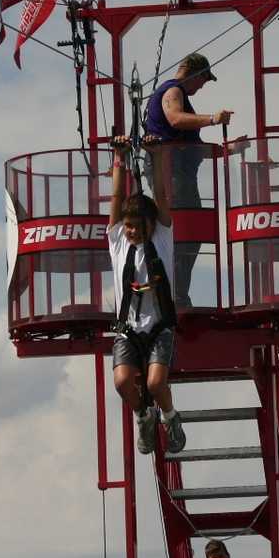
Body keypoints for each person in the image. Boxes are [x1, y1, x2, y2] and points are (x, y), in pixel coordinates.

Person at [107, 135, 184, 455]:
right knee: (123, 382)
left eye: (140, 227)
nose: (133, 232)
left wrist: (156, 156)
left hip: (158, 326)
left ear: (153, 226)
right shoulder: (118, 242)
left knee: (155, 383)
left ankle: (170, 416)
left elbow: (162, 197)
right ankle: (143, 415)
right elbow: (115, 198)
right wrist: (119, 160)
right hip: (129, 327)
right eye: (129, 227)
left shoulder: (162, 239)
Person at [143, 51, 234, 306]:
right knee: (185, 233)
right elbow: (175, 118)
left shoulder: (174, 93)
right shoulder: (173, 92)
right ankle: (175, 295)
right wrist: (212, 119)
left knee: (188, 235)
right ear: (195, 73)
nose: (202, 86)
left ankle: (176, 294)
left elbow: (194, 147)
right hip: (173, 175)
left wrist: (230, 150)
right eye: (203, 80)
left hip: (177, 173)